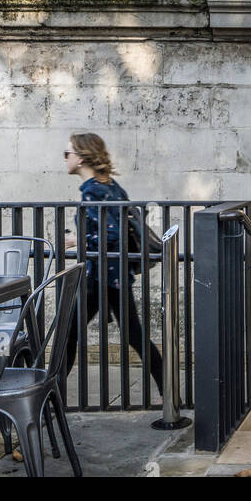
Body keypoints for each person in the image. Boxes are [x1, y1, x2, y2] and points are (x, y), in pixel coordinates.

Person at [62, 133, 164, 395]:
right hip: (115, 273)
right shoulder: (111, 186)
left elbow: (110, 235)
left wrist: (77, 240)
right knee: (134, 336)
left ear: (82, 157)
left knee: (69, 333)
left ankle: (52, 399)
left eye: (67, 154)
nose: (65, 159)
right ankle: (169, 392)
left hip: (100, 275)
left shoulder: (92, 191)